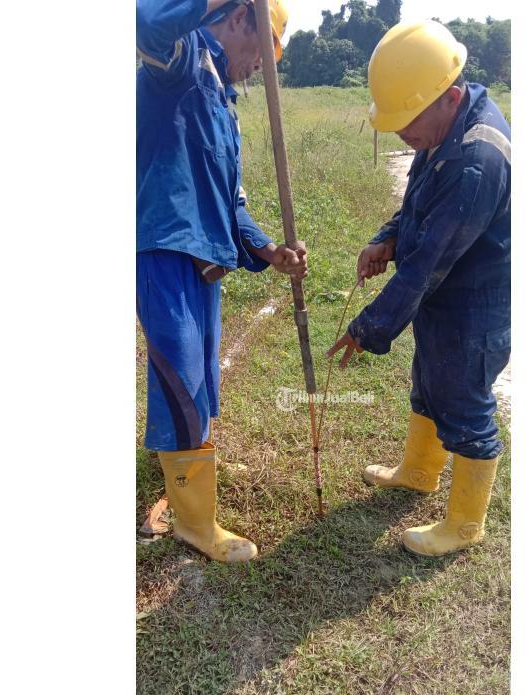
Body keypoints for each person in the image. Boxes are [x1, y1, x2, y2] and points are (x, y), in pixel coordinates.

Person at [327, 21, 511, 558]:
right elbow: (418, 206)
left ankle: (465, 524)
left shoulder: (476, 160)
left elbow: (426, 266)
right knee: (430, 382)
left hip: (476, 305)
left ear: (449, 96)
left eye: (407, 124)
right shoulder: (443, 129)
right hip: (448, 295)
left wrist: (369, 327)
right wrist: (387, 237)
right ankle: (418, 472)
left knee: (464, 403)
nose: (402, 135)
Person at [137, 0, 306, 563]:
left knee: (202, 378)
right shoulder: (183, 62)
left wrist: (270, 251)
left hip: (207, 260)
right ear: (238, 20)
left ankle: (191, 467)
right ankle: (194, 523)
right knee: (181, 379)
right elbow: (144, 23)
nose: (260, 66)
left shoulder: (223, 105)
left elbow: (231, 204)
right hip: (165, 251)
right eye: (263, 51)